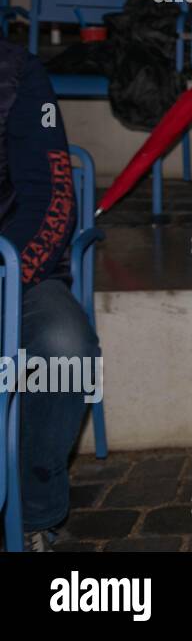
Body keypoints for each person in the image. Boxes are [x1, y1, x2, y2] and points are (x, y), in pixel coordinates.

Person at [0, 38, 102, 552]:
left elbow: (52, 196)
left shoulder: (14, 72)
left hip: (15, 268)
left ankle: (31, 513)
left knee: (66, 347)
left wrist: (6, 274)